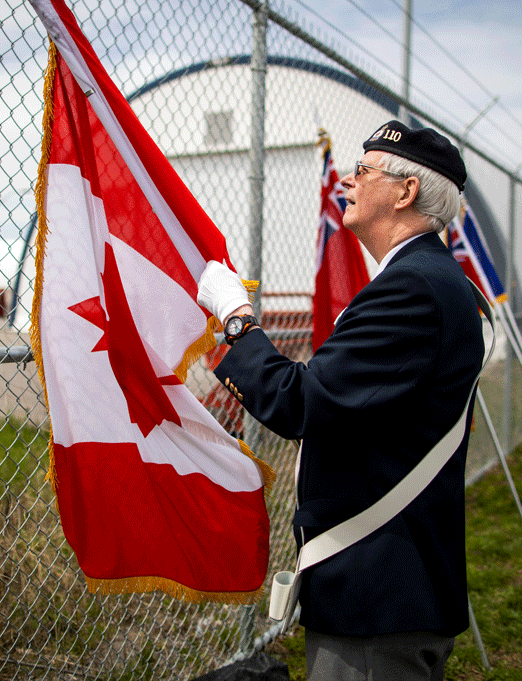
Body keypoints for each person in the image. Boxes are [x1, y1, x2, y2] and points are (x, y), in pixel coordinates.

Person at [197, 120, 485, 681]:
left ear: (405, 192)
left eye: (363, 170)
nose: (347, 181)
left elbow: (300, 403)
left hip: (378, 594)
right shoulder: (426, 278)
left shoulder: (412, 287)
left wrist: (236, 320)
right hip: (391, 577)